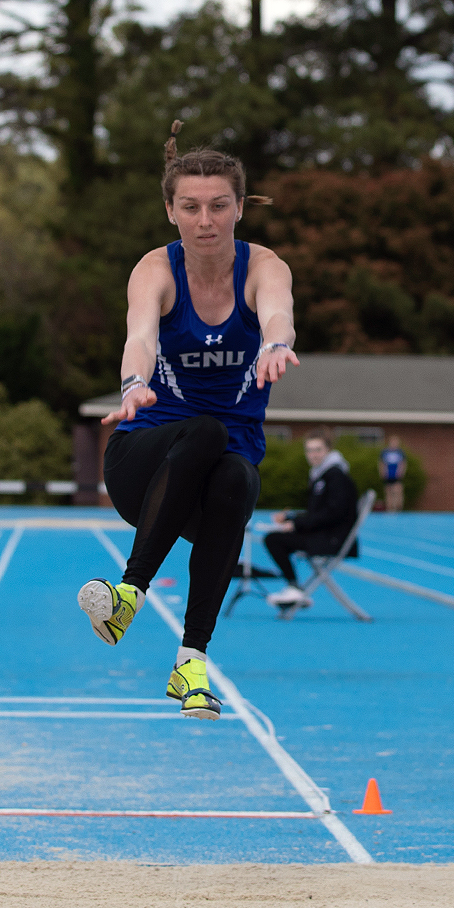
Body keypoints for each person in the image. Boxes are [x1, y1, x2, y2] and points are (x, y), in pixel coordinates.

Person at [78, 121, 299, 720]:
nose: (206, 220)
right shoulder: (155, 269)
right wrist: (133, 384)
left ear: (239, 209)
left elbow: (277, 312)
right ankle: (129, 593)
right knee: (205, 430)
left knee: (239, 475)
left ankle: (190, 663)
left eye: (219, 206)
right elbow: (140, 337)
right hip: (145, 464)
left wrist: (275, 343)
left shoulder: (263, 267)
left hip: (210, 490)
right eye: (191, 207)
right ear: (171, 212)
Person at [265, 430, 359, 608]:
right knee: (276, 536)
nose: (313, 454)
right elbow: (319, 512)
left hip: (332, 539)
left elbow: (333, 514)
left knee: (273, 540)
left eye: (318, 450)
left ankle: (294, 588)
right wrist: (290, 518)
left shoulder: (335, 476)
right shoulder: (321, 474)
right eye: (309, 450)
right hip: (325, 535)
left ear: (328, 450)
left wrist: (295, 524)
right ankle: (294, 589)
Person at [379, 435, 407, 513]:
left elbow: (403, 463)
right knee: (388, 492)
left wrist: (401, 472)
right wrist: (382, 472)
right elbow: (381, 463)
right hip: (388, 475)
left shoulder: (400, 452)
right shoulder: (385, 452)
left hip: (397, 475)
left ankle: (397, 508)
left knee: (397, 491)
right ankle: (389, 509)